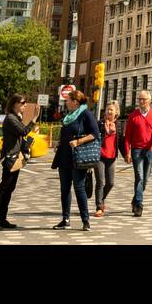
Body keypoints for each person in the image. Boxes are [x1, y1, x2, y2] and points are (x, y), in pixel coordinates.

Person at [0, 94, 37, 230]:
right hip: (10, 158)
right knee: (4, 188)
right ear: (15, 104)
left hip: (16, 158)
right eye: (23, 103)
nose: (25, 105)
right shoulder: (10, 118)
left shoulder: (16, 118)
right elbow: (23, 131)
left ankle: (2, 218)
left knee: (9, 189)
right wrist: (33, 119)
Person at [52, 90, 100, 231]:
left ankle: (85, 221)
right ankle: (65, 219)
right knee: (64, 190)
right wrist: (59, 144)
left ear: (75, 102)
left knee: (79, 189)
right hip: (64, 157)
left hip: (78, 158)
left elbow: (95, 134)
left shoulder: (86, 114)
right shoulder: (69, 116)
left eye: (67, 100)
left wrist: (78, 142)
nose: (65, 102)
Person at [123, 89, 152, 217]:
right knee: (139, 177)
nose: (141, 101)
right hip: (136, 150)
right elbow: (127, 136)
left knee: (145, 179)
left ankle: (135, 199)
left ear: (149, 101)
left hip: (149, 150)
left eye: (143, 99)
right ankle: (139, 205)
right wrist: (127, 152)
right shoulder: (133, 116)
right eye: (139, 99)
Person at [95, 102, 123, 217]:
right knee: (100, 181)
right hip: (100, 156)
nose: (108, 112)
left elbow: (120, 141)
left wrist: (126, 154)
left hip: (112, 157)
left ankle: (101, 199)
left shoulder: (118, 125)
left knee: (110, 183)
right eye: (107, 109)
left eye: (111, 110)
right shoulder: (99, 124)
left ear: (116, 112)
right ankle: (99, 206)